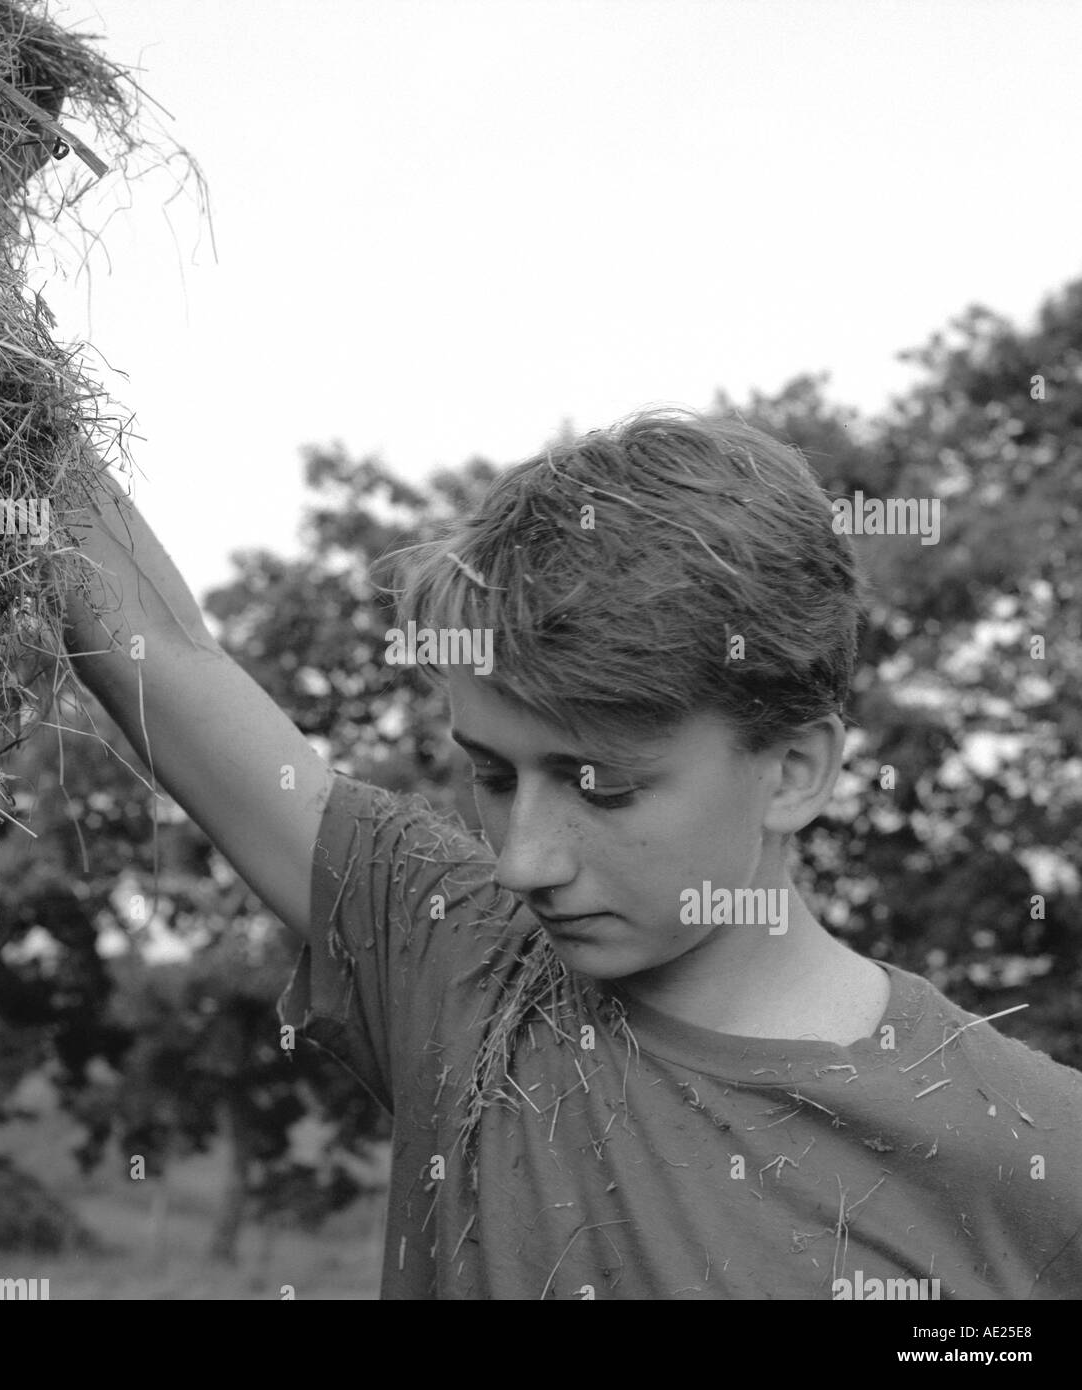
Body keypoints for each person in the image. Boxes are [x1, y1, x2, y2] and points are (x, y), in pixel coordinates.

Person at [63, 409, 1082, 1299]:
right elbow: (158, 645)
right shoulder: (452, 953)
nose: (522, 861)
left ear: (794, 770)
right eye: (494, 776)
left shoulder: (1038, 1150)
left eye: (601, 784)